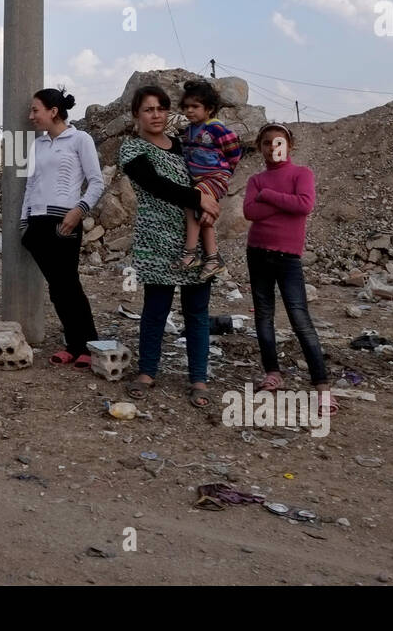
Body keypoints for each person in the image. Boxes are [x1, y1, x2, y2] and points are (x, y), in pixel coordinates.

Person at [118, 85, 221, 408]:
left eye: (161, 108)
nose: (156, 115)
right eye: (148, 109)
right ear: (137, 114)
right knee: (156, 309)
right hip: (155, 238)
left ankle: (198, 378)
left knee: (197, 311)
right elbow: (157, 185)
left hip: (194, 236)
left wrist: (208, 197)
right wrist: (198, 198)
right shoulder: (132, 150)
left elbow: (207, 170)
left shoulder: (181, 144)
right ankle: (148, 371)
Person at [243, 123, 335, 414]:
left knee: (299, 317)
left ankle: (321, 386)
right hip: (257, 252)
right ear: (260, 147)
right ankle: (273, 373)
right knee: (264, 316)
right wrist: (284, 203)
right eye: (267, 142)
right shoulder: (255, 179)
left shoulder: (301, 174)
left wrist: (268, 196)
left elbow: (304, 205)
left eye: (278, 142)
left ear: (289, 146)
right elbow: (249, 212)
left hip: (288, 257)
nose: (272, 147)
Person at [19, 87, 104, 368]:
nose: (31, 116)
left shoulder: (80, 139)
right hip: (37, 223)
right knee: (58, 287)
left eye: (35, 110)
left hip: (65, 221)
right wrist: (24, 223)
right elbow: (30, 184)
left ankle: (86, 345)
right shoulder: (38, 145)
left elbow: (97, 181)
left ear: (53, 112)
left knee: (68, 284)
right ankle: (73, 343)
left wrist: (79, 211)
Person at [178, 80, 241, 281]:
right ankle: (212, 259)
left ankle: (190, 253)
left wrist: (226, 170)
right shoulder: (188, 131)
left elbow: (234, 150)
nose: (189, 111)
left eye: (195, 107)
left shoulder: (215, 128)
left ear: (210, 108)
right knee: (203, 218)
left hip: (214, 177)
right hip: (198, 179)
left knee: (191, 202)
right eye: (186, 107)